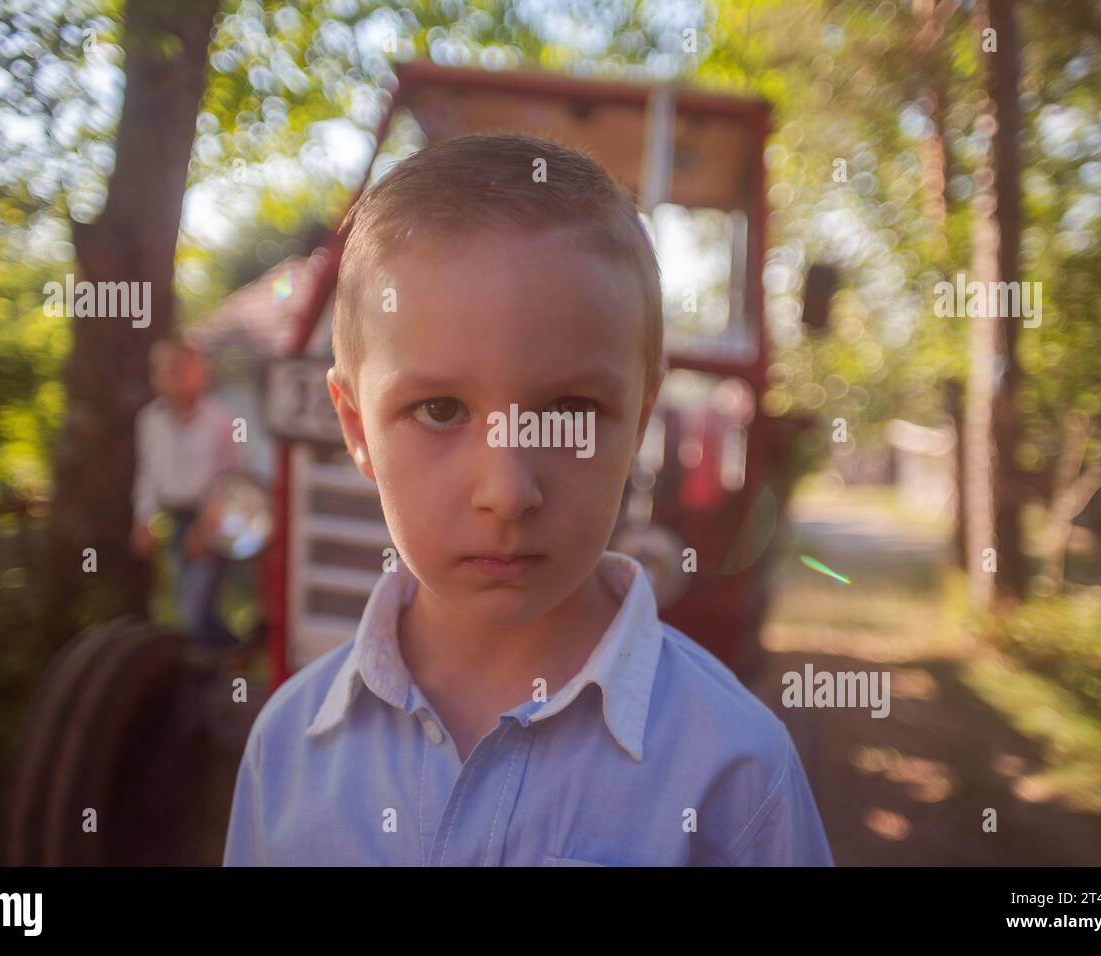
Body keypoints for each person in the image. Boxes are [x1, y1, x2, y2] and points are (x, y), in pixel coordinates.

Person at [223, 133, 833, 866]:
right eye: (440, 410)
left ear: (639, 422)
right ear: (356, 427)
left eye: (570, 413)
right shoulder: (285, 752)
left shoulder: (738, 776)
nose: (508, 492)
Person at [131, 337, 242, 652]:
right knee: (182, 605)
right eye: (161, 369)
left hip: (212, 520)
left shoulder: (221, 422)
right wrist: (144, 519)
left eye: (179, 367)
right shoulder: (149, 420)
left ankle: (233, 653)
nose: (170, 376)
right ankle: (225, 658)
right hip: (174, 519)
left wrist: (205, 530)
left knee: (194, 606)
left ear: (199, 372)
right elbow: (148, 473)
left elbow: (231, 481)